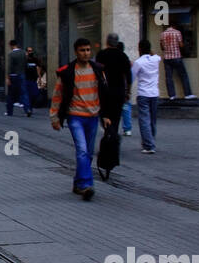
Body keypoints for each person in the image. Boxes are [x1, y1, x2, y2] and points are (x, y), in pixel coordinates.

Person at [49, 38, 121, 200]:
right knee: (82, 150)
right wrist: (54, 117)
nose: (86, 53)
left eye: (88, 50)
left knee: (87, 153)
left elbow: (104, 94)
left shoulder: (97, 70)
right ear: (76, 52)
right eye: (82, 50)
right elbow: (58, 95)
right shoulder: (67, 72)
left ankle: (78, 181)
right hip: (75, 117)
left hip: (93, 117)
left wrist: (106, 115)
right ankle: (86, 185)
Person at [95, 35, 133, 137]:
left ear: (107, 42)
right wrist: (128, 91)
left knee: (104, 114)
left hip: (104, 91)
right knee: (116, 117)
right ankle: (113, 137)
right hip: (119, 91)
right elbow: (129, 76)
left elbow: (96, 72)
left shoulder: (101, 54)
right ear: (117, 43)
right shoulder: (123, 56)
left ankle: (108, 133)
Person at [130, 40, 162, 153]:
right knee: (152, 120)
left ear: (139, 49)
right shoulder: (156, 59)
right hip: (154, 93)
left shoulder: (139, 62)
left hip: (143, 93)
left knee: (144, 120)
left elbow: (131, 77)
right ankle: (151, 140)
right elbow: (157, 56)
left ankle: (148, 145)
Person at [159, 22, 195, 99]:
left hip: (167, 58)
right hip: (176, 57)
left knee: (169, 77)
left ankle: (172, 95)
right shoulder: (177, 32)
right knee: (183, 75)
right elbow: (181, 45)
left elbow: (162, 47)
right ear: (174, 26)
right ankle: (187, 94)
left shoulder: (162, 34)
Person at [5, 40, 31, 117]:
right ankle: (27, 109)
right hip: (22, 74)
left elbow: (10, 66)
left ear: (11, 45)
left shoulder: (11, 54)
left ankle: (9, 111)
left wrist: (7, 77)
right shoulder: (23, 53)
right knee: (24, 92)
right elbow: (26, 64)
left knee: (11, 94)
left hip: (13, 75)